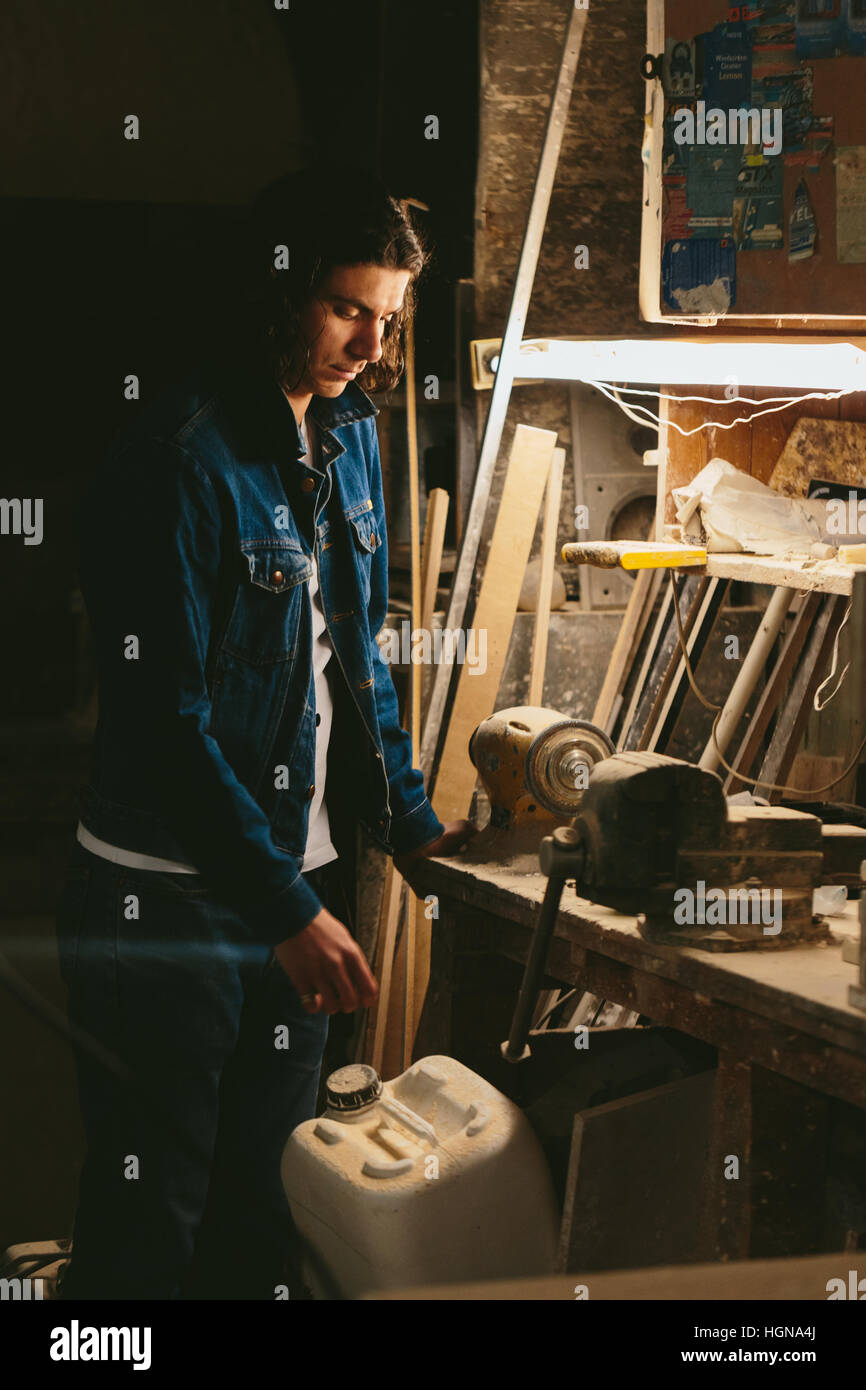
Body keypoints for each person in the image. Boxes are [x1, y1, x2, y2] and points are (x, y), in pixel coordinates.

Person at [55, 165, 473, 1300]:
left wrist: (414, 824)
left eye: (385, 318)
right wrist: (283, 906)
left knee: (266, 1201)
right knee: (152, 1221)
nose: (370, 345)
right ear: (277, 291)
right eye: (347, 308)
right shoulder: (177, 459)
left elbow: (357, 651)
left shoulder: (341, 438)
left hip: (303, 880)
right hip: (172, 898)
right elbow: (164, 723)